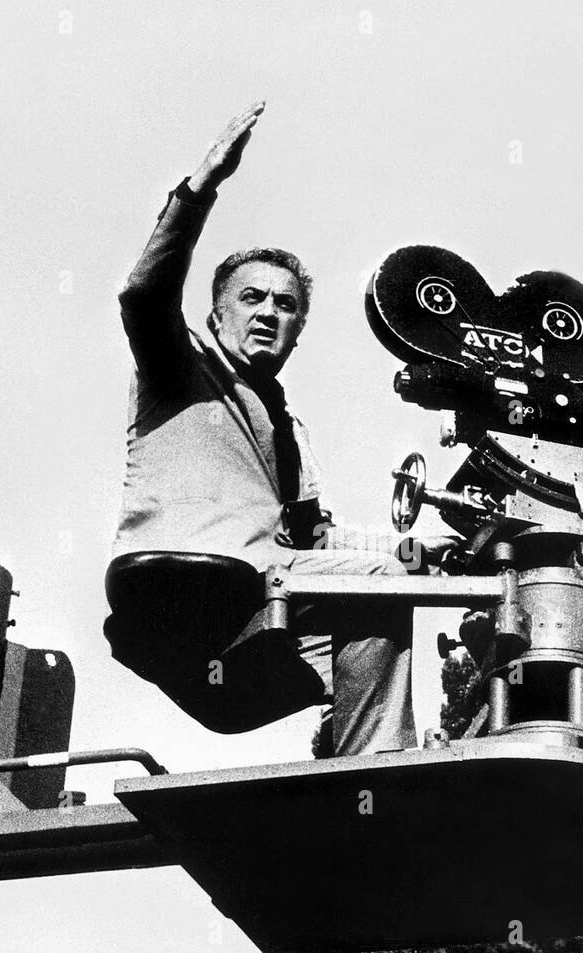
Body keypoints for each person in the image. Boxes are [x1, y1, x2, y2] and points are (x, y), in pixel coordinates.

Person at [114, 102, 442, 756]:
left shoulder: (289, 433)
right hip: (189, 582)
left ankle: (356, 764)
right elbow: (142, 296)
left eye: (285, 305)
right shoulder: (181, 368)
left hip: (240, 643)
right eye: (252, 297)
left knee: (385, 599)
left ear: (300, 327)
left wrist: (432, 554)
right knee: (377, 583)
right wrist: (201, 185)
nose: (268, 312)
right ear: (216, 314)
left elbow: (320, 536)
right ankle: (377, 760)